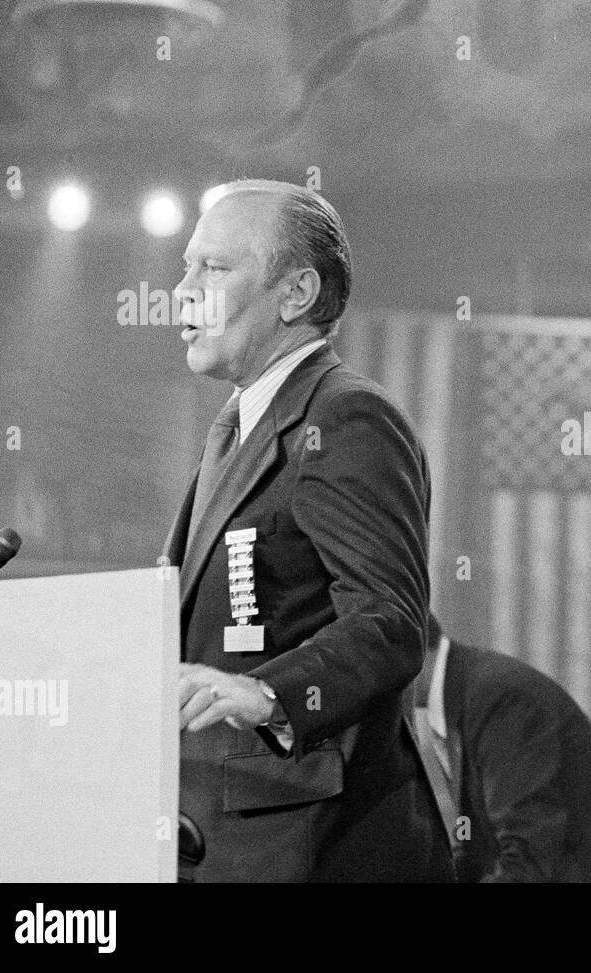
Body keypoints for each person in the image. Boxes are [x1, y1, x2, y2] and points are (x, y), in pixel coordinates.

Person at [163, 179, 450, 882]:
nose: (181, 291)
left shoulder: (346, 417)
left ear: (294, 294)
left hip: (315, 846)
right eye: (185, 266)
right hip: (226, 839)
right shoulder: (238, 427)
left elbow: (389, 620)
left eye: (214, 268)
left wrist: (266, 693)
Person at [413, 616, 591, 882]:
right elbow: (482, 852)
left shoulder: (497, 695)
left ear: (405, 644)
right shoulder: (463, 692)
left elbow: (527, 852)